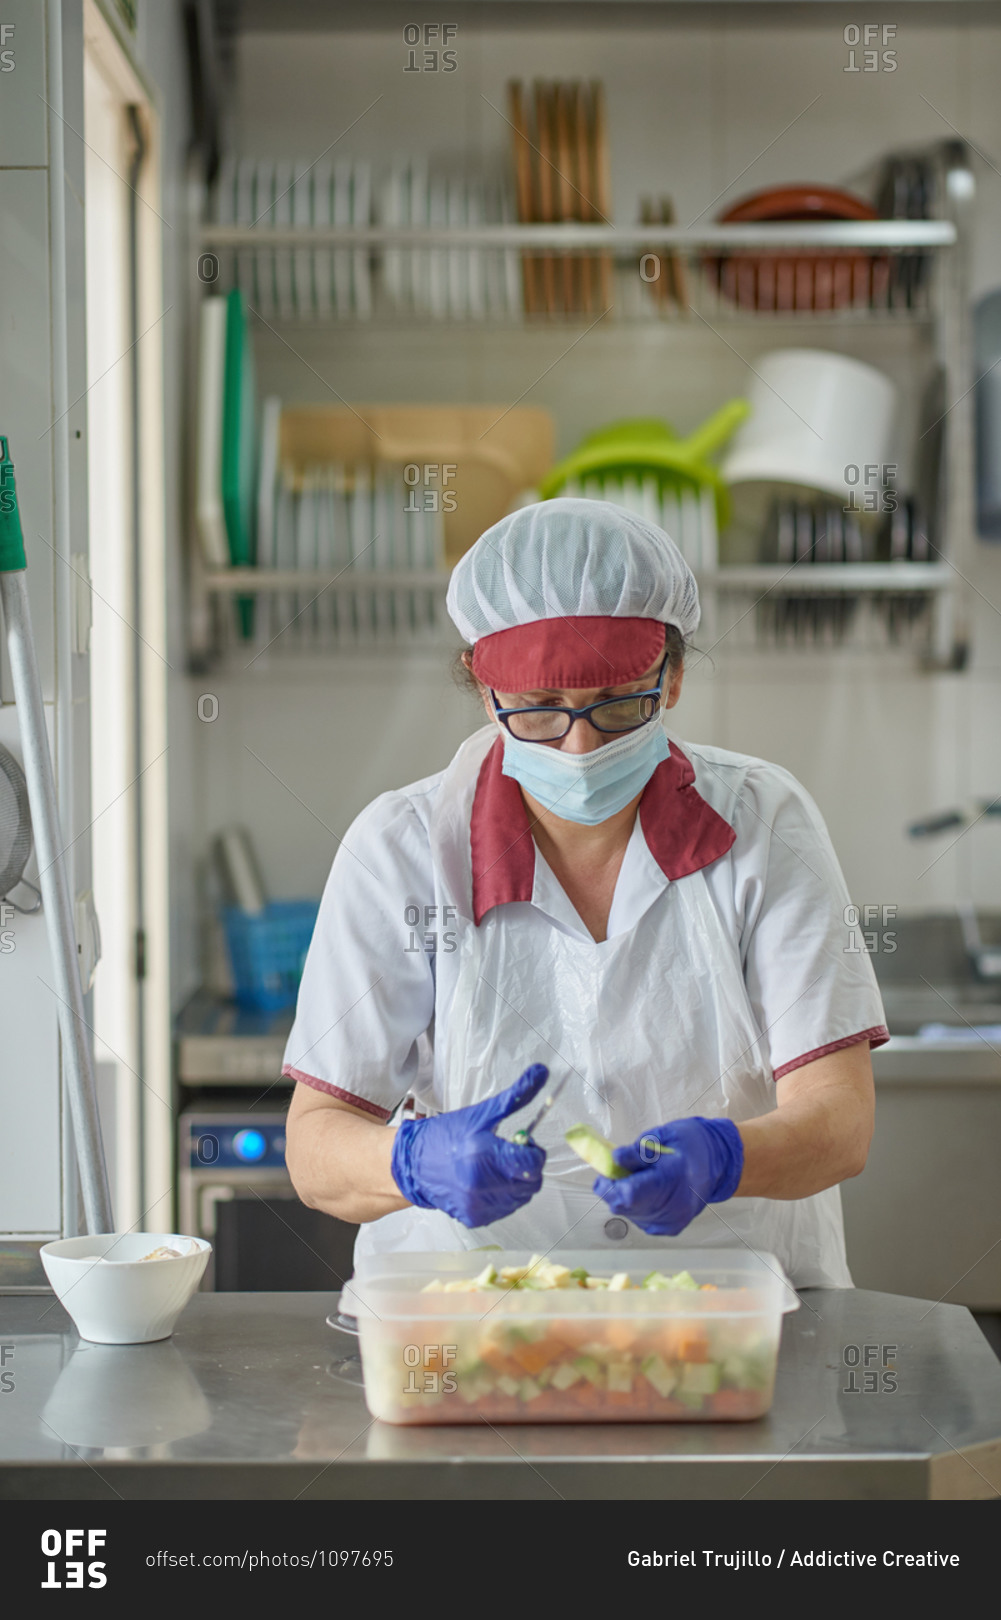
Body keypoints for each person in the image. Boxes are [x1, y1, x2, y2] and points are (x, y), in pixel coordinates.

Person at [283, 499, 887, 1288]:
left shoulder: (766, 824)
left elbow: (839, 1122)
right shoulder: (398, 850)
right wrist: (411, 1162)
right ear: (479, 681)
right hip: (472, 1315)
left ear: (670, 677)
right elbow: (315, 1148)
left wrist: (727, 1157)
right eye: (537, 711)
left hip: (730, 1312)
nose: (579, 745)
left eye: (618, 703)